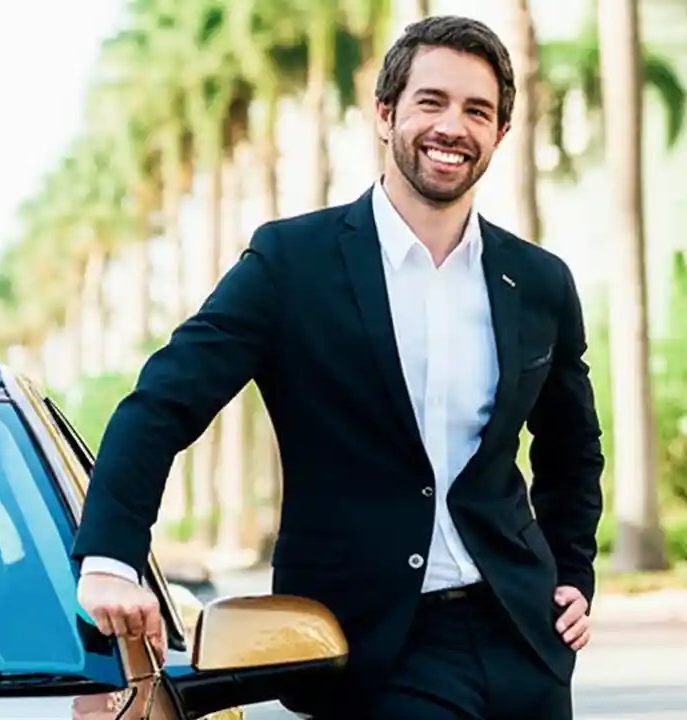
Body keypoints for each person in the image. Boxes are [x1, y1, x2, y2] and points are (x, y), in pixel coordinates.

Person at [72, 14, 603, 719]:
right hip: (376, 649)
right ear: (385, 115)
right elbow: (162, 405)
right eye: (431, 102)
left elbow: (572, 449)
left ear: (500, 133)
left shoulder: (538, 281)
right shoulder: (292, 263)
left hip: (522, 641)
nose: (453, 127)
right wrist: (111, 560)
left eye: (477, 111)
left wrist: (572, 572)